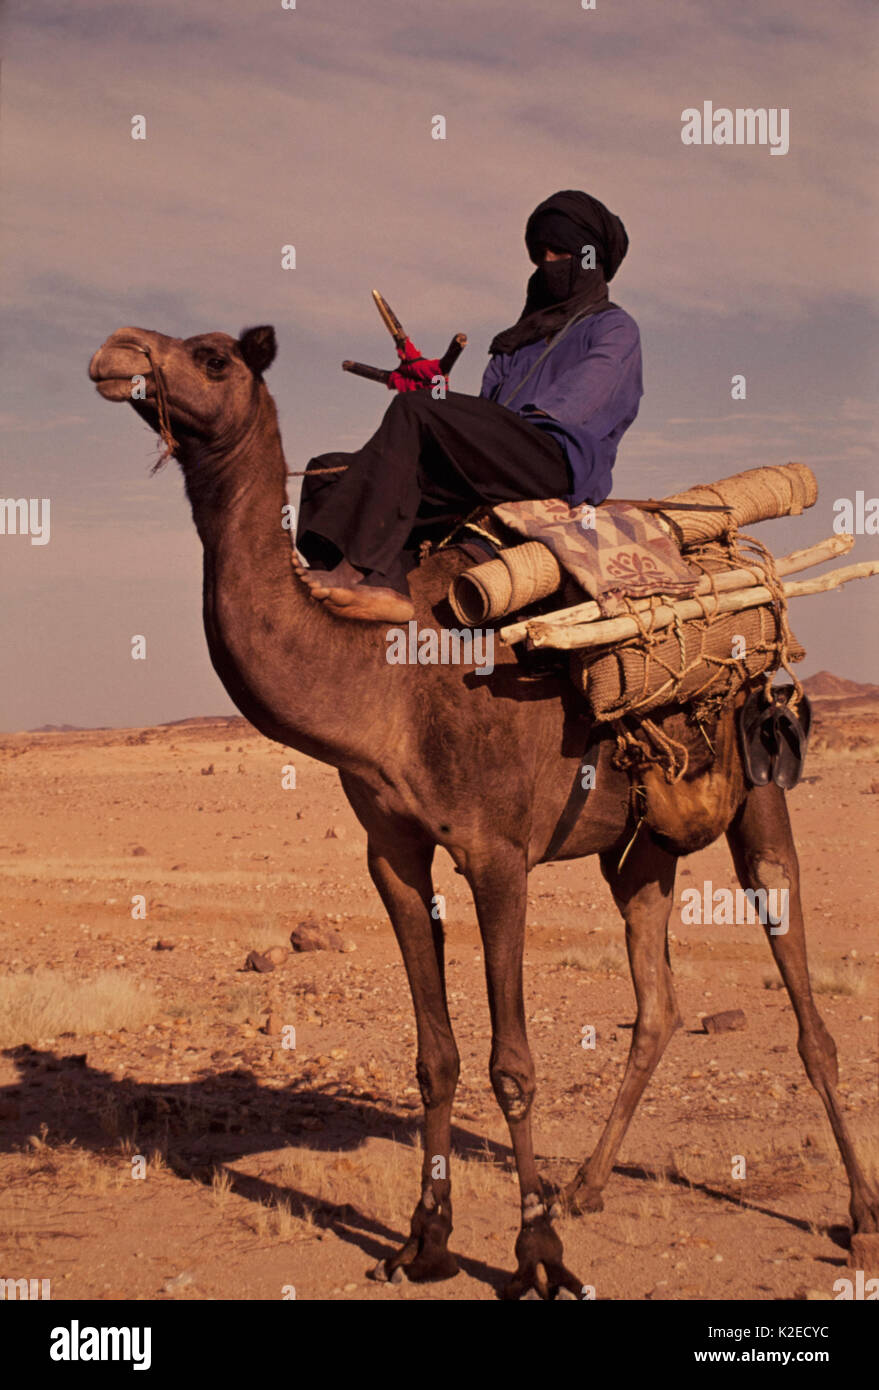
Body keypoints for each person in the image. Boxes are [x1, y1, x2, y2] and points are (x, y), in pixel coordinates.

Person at [294, 189, 643, 622]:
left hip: (554, 463)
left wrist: (436, 410)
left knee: (418, 413)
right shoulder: (514, 343)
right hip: (499, 463)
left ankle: (355, 570)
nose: (548, 263)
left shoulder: (614, 329)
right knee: (329, 470)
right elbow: (480, 423)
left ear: (590, 260)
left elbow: (567, 409)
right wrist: (437, 391)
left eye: (561, 252)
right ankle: (377, 581)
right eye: (541, 254)